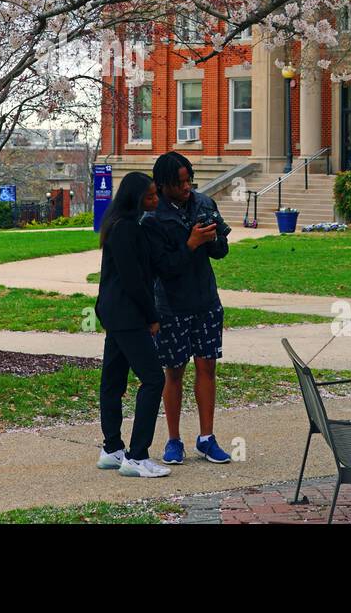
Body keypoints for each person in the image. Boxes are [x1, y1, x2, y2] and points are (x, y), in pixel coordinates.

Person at [147, 151, 232, 465]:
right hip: (171, 307)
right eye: (179, 183)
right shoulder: (153, 218)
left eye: (188, 180)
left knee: (207, 368)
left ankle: (207, 438)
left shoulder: (204, 204)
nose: (186, 187)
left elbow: (222, 250)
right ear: (163, 184)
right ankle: (173, 441)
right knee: (174, 372)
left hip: (206, 301)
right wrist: (191, 244)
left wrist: (211, 241)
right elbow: (163, 268)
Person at [94, 171, 171, 478]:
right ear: (134, 199)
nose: (155, 200)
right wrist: (152, 317)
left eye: (155, 194)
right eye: (149, 196)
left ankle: (112, 450)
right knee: (154, 379)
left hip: (114, 312)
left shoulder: (120, 226)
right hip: (127, 314)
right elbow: (133, 280)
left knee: (112, 382)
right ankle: (137, 456)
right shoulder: (126, 229)